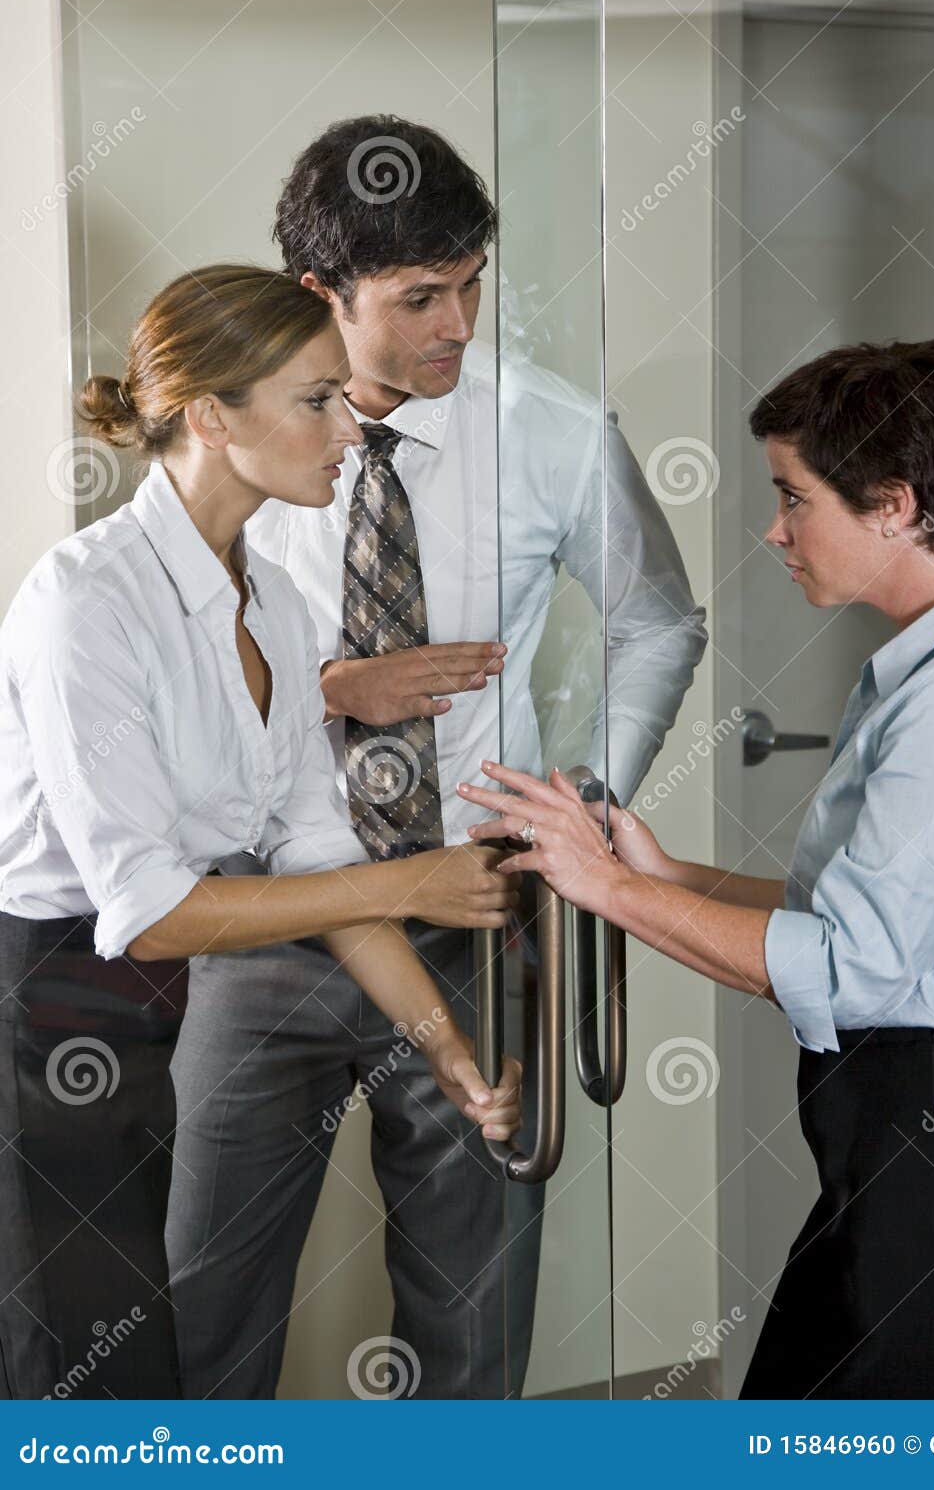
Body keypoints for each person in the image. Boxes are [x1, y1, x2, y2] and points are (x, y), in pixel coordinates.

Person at [166, 115, 709, 1399]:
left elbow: (656, 621)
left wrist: (592, 792)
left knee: (471, 1325)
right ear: (320, 295)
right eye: (419, 298)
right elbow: (164, 664)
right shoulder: (229, 437)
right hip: (266, 920)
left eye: (471, 284)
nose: (458, 324)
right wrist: (332, 689)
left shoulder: (553, 432)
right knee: (201, 1312)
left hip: (472, 914)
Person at [459, 337, 934, 1399]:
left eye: (793, 500)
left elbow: (846, 971)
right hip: (909, 1141)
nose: (772, 530)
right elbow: (854, 918)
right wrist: (663, 873)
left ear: (891, 504)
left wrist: (608, 890)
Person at [0, 264, 520, 1400]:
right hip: (37, 1020)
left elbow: (313, 847)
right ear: (210, 416)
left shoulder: (275, 609)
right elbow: (150, 911)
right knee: (81, 1379)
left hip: (142, 1027)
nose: (349, 427)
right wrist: (412, 884)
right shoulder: (84, 601)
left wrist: (442, 1043)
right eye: (316, 401)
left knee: (134, 1374)